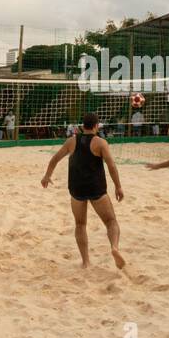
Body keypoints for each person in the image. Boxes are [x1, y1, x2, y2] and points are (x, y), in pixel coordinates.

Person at [40, 113, 126, 269]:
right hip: (96, 188)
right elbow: (111, 166)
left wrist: (47, 176)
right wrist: (118, 186)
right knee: (111, 221)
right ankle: (114, 247)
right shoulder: (100, 143)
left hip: (76, 188)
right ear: (96, 126)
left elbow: (54, 159)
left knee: (80, 225)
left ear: (82, 126)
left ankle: (86, 261)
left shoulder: (71, 141)